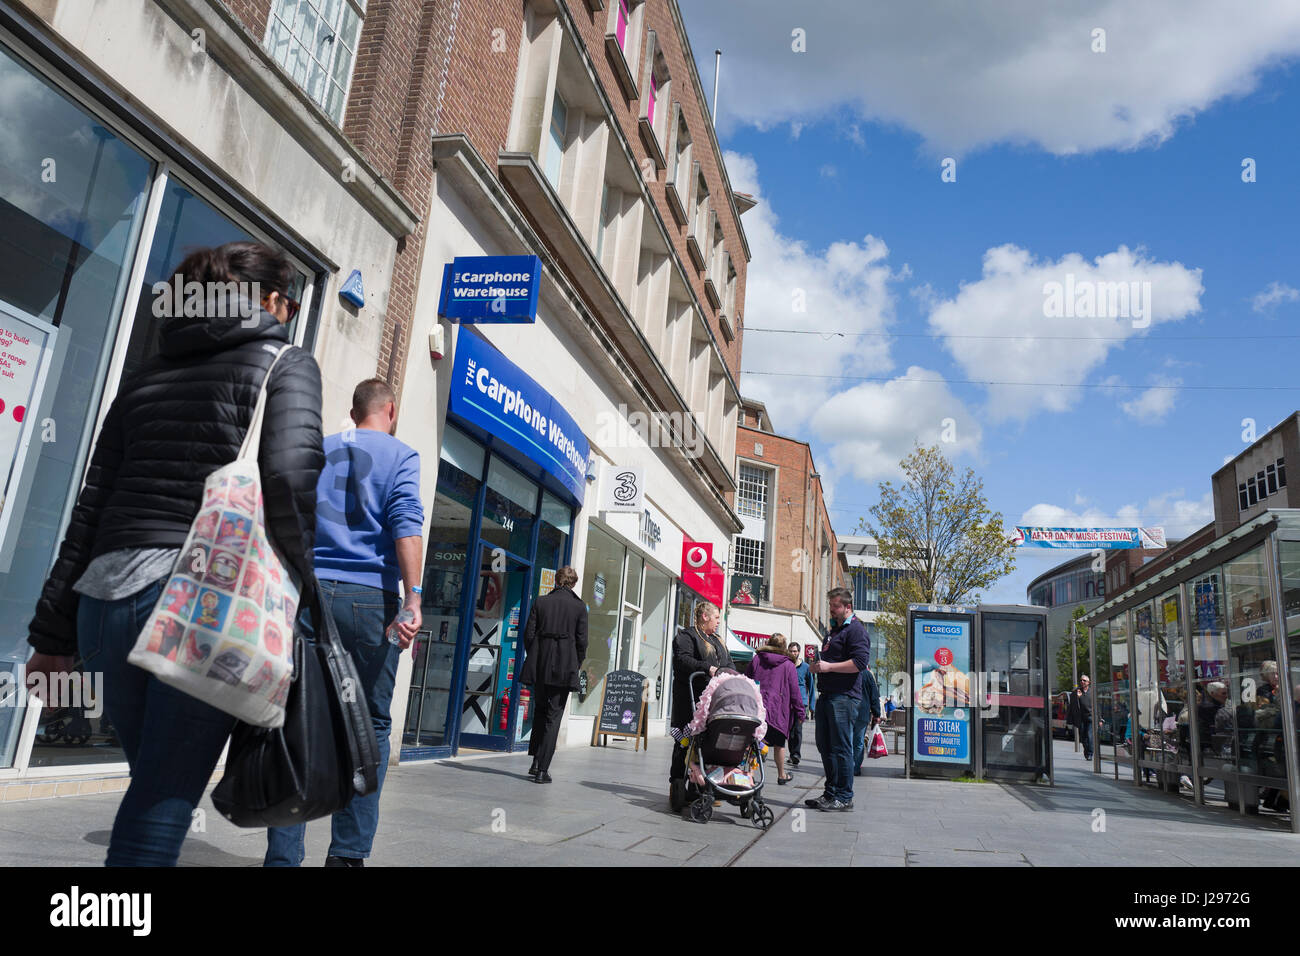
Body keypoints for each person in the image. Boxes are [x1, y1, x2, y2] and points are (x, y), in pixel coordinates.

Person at [25, 242, 324, 867]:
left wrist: (52, 631)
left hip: (106, 606)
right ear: (268, 300)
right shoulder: (284, 362)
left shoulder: (144, 375)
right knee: (161, 799)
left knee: (157, 782)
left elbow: (91, 508)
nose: (289, 314)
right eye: (287, 302)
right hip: (203, 607)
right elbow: (293, 478)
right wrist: (304, 587)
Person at [266, 377, 424, 868]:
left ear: (353, 411)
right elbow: (406, 527)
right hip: (367, 604)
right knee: (369, 726)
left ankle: (283, 859)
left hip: (310, 597)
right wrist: (414, 598)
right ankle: (347, 856)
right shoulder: (401, 456)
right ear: (390, 410)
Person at [520, 566, 588, 783]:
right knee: (553, 716)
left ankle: (535, 762)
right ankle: (542, 769)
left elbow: (528, 634)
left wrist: (536, 655)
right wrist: (575, 663)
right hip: (564, 665)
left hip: (540, 663)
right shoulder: (579, 607)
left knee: (540, 711)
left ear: (557, 580)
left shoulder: (541, 601)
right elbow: (582, 642)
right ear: (574, 583)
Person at [805, 588, 870, 812]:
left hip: (844, 697)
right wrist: (817, 666)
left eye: (835, 606)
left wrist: (829, 667)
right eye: (831, 605)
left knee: (842, 748)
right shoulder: (834, 631)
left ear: (847, 607)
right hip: (827, 695)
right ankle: (831, 793)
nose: (831, 610)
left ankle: (845, 796)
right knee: (825, 746)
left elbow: (860, 663)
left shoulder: (856, 630)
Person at [669, 601, 732, 810]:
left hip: (713, 701)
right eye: (715, 618)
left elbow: (729, 664)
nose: (717, 623)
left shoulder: (717, 640)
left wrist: (734, 675)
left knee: (708, 743)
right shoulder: (686, 637)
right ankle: (678, 783)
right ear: (705, 616)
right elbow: (683, 660)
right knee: (684, 742)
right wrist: (708, 668)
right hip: (689, 699)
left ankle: (703, 786)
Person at [745, 634, 804, 784]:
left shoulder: (757, 659)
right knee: (779, 745)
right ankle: (781, 774)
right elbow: (795, 690)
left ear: (769, 643)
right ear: (784, 647)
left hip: (758, 709)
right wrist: (800, 712)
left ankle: (750, 775)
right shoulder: (788, 665)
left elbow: (746, 680)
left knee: (755, 741)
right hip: (779, 711)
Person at [852, 666, 882, 775]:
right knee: (858, 741)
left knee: (848, 741)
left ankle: (848, 766)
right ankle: (855, 767)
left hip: (848, 712)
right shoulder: (867, 674)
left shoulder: (847, 671)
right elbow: (874, 696)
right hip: (862, 713)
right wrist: (876, 714)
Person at [787, 640, 809, 765]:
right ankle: (791, 754)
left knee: (798, 729)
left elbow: (810, 686)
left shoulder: (805, 667)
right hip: (788, 702)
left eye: (794, 651)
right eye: (790, 651)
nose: (792, 653)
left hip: (801, 703)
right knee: (790, 729)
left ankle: (796, 754)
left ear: (798, 652)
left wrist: (811, 705)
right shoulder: (786, 665)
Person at [1066, 674, 1094, 760]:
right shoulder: (1076, 692)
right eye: (1081, 680)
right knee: (1083, 737)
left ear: (1088, 683)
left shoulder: (1092, 692)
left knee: (1089, 736)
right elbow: (1072, 706)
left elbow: (1097, 706)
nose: (1082, 682)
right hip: (1080, 718)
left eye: (1084, 680)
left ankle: (1090, 753)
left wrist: (1100, 719)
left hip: (1090, 717)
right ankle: (1086, 751)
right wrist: (1078, 697)